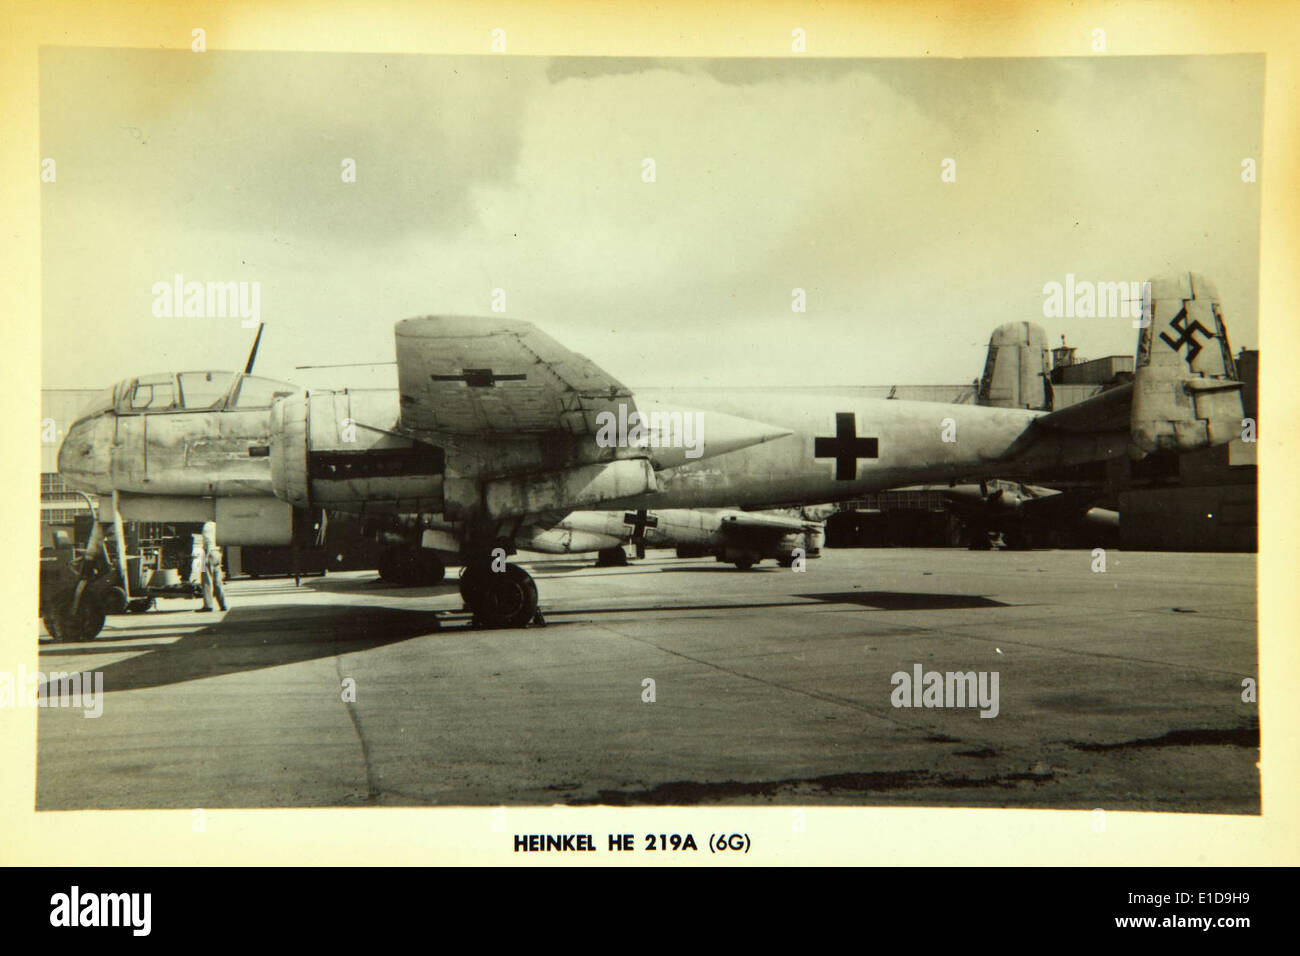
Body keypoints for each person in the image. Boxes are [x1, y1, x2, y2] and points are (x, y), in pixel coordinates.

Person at [196, 522, 228, 612]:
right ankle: (223, 604)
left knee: (206, 580)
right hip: (217, 553)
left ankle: (208, 605)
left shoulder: (207, 525)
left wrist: (206, 555)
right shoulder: (218, 525)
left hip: (209, 552)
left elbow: (208, 540)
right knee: (218, 581)